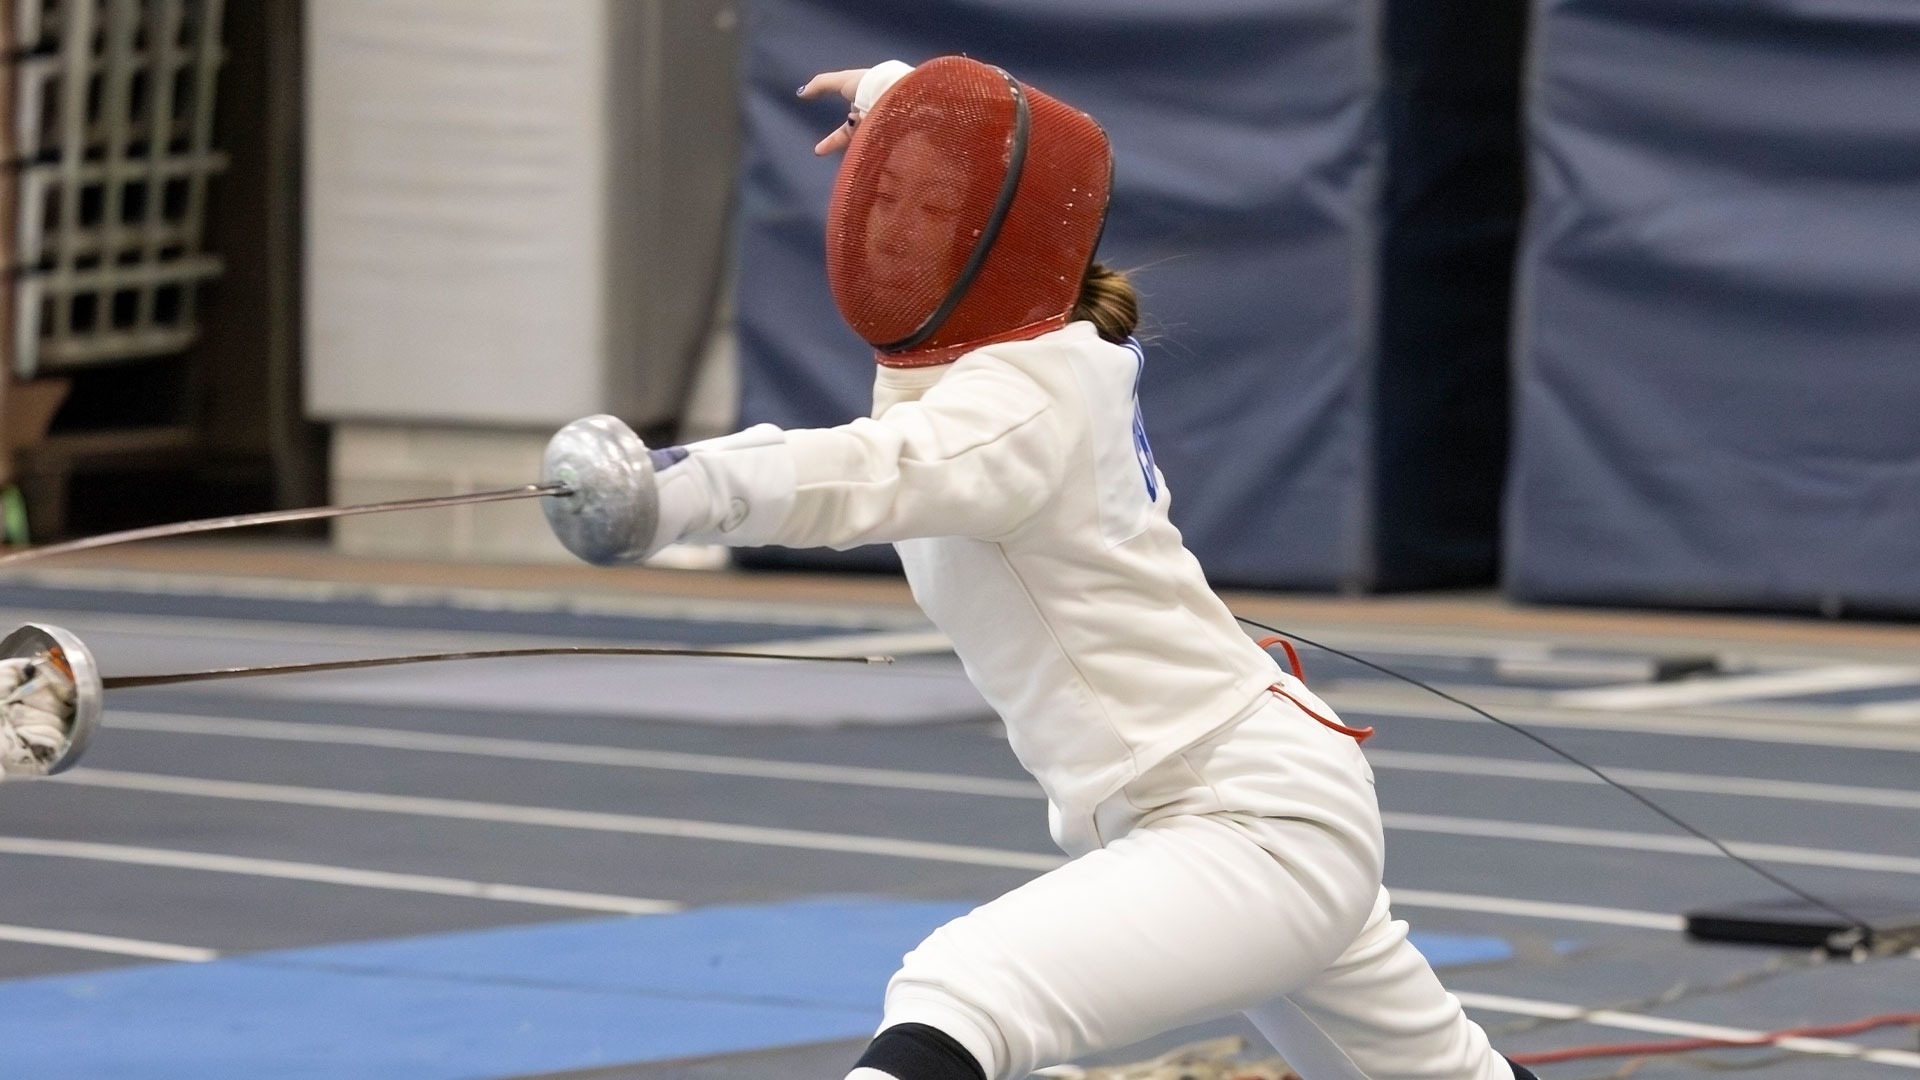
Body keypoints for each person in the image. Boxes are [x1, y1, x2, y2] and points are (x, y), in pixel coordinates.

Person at [546, 56, 1538, 1080]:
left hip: (1245, 818)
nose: (893, 225)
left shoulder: (1027, 398)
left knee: (966, 989)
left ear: (1002, 245)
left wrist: (678, 489)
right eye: (884, 194)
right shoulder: (1007, 371)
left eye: (935, 207)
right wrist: (908, 105)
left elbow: (875, 471)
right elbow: (1006, 197)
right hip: (1242, 795)